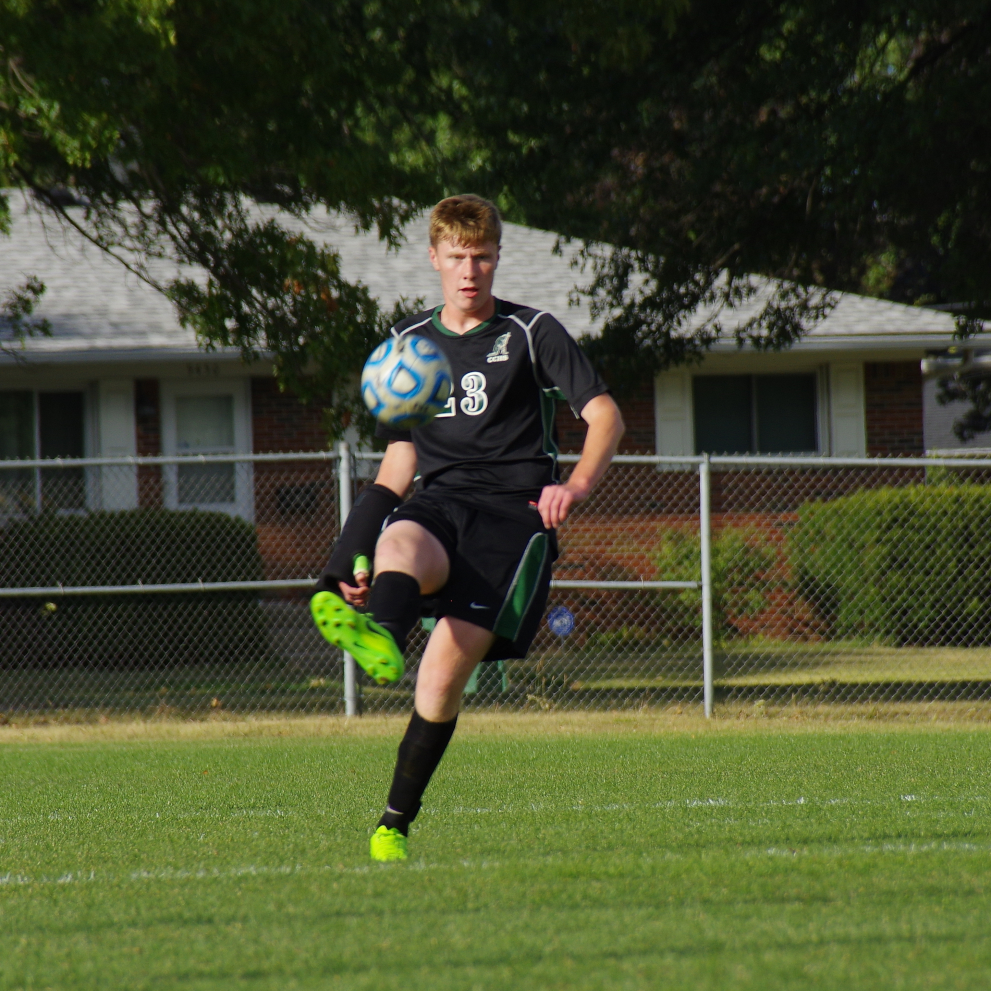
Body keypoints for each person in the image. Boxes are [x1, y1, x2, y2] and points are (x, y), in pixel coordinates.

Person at [311, 194, 624, 862]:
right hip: (441, 500)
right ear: (434, 257)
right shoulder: (406, 345)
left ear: (497, 256)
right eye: (457, 256)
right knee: (398, 542)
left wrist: (573, 485)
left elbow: (605, 415)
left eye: (481, 256)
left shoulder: (532, 332)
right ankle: (382, 633)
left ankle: (393, 823)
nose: (469, 270)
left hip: (513, 519)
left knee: (439, 680)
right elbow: (400, 461)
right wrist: (344, 559)